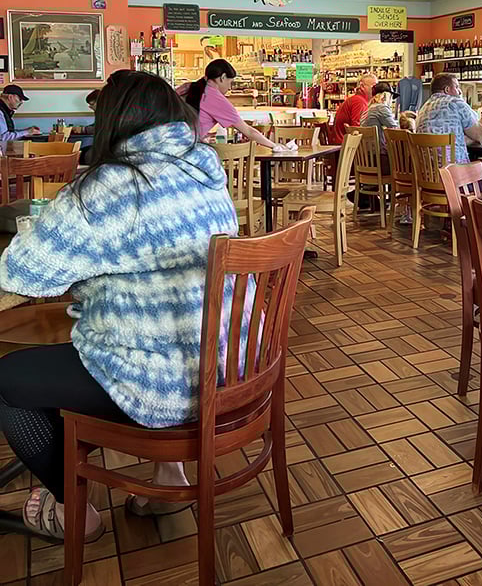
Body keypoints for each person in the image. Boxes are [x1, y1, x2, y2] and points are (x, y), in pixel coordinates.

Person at [0, 70, 255, 540]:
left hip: (161, 380)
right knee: (125, 332)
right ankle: (168, 476)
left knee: (9, 381)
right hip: (230, 363)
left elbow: (21, 273)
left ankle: (71, 506)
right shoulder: (205, 166)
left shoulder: (109, 187)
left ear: (111, 120)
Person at [415, 73, 482, 192]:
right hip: (456, 177)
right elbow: (479, 133)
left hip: (429, 178)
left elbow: (453, 140)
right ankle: (479, 209)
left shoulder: (423, 109)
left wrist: (473, 137)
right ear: (447, 89)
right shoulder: (456, 103)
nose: (460, 91)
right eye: (457, 87)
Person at [178, 59, 282, 150]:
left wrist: (201, 135)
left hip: (167, 145)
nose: (229, 87)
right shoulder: (217, 99)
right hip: (183, 149)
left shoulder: (188, 87)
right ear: (222, 78)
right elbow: (249, 132)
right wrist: (275, 146)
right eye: (230, 82)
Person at [360, 82, 398, 175]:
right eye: (391, 98)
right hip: (379, 160)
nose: (392, 101)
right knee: (406, 161)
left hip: (366, 160)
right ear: (385, 96)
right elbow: (396, 131)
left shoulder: (368, 109)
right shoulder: (381, 107)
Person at [329, 73, 377, 144]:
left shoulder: (355, 99)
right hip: (345, 146)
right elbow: (356, 129)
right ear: (362, 86)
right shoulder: (359, 102)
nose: (377, 90)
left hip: (341, 143)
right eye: (373, 86)